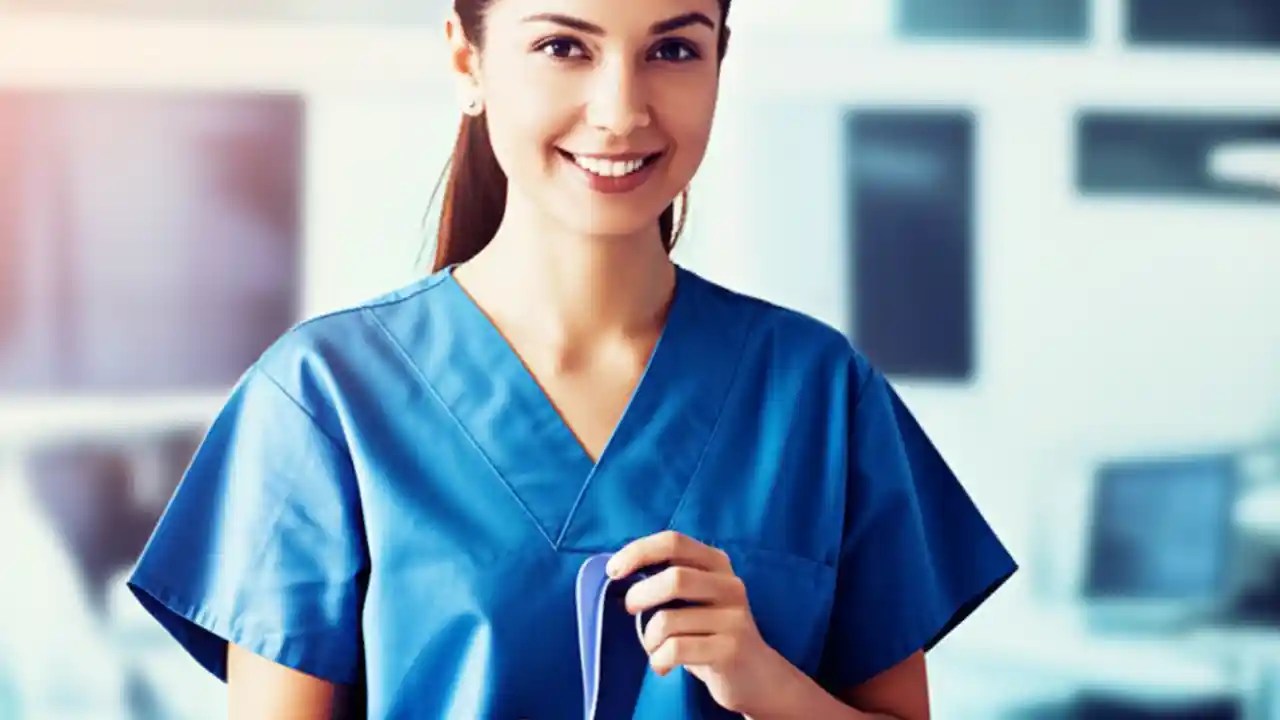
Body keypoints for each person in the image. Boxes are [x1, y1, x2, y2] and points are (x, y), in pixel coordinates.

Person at [126, 0, 1018, 717]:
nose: (621, 110)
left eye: (673, 49)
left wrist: (768, 685)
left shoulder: (821, 396)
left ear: (720, 60)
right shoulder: (323, 398)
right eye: (563, 46)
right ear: (468, 61)